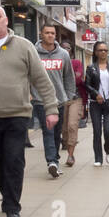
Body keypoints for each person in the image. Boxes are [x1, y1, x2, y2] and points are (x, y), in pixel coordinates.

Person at [0, 5, 58, 217]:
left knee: (14, 159)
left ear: (6, 20)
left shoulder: (24, 46)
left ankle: (12, 205)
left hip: (17, 113)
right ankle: (8, 192)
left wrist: (52, 109)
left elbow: (42, 81)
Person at [34, 24, 75, 179]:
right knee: (48, 131)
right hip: (41, 100)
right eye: (47, 33)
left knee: (57, 132)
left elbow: (68, 76)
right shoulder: (33, 53)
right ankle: (51, 161)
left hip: (59, 100)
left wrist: (68, 95)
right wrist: (30, 93)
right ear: (41, 34)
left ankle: (55, 161)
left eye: (53, 33)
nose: (50, 35)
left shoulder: (63, 54)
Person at [85, 41, 109, 166]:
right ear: (96, 52)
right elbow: (87, 85)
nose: (103, 52)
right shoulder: (91, 68)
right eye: (100, 50)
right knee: (97, 131)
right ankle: (98, 158)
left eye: (105, 50)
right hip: (95, 103)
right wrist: (96, 94)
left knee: (108, 131)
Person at [60, 40, 84, 166]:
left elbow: (78, 78)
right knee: (64, 128)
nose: (65, 50)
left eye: (67, 48)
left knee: (72, 125)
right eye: (62, 47)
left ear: (71, 51)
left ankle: (70, 155)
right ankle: (65, 142)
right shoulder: (57, 63)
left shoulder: (76, 63)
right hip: (61, 99)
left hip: (75, 98)